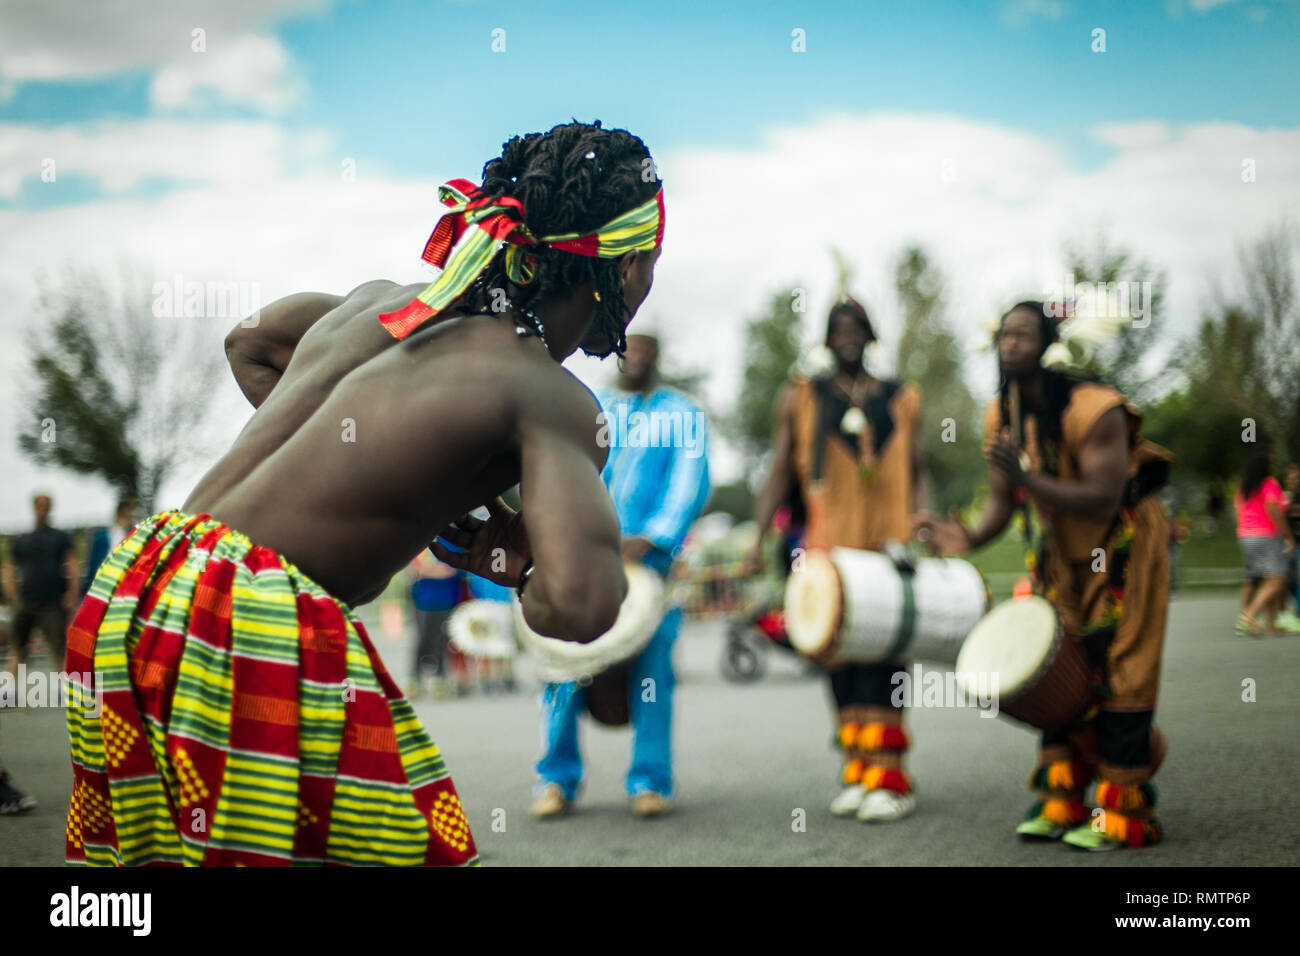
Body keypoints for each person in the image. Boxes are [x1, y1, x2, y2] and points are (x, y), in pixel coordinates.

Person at [65, 120, 666, 866]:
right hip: (246, 622)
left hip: (144, 580)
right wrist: (516, 567)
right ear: (626, 265)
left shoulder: (381, 304)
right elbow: (582, 606)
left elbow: (252, 344)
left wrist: (399, 473)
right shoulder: (553, 400)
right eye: (652, 259)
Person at [915, 300, 1175, 851]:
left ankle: (1122, 813)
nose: (1011, 344)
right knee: (1057, 656)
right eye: (1005, 334)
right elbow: (1002, 504)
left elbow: (1104, 497)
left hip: (1124, 543)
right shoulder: (1002, 414)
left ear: (1049, 346)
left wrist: (1026, 482)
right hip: (1061, 550)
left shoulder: (1096, 408)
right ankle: (1063, 795)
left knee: (1122, 665)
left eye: (1024, 335)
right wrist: (962, 536)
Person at [751, 297, 926, 823]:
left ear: (871, 336)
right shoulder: (802, 396)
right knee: (839, 659)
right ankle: (857, 769)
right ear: (827, 340)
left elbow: (917, 467)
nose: (847, 336)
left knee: (885, 658)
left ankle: (890, 778)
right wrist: (759, 530)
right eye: (838, 329)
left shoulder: (903, 397)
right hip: (829, 550)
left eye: (857, 328)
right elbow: (782, 467)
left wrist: (923, 521)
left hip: (887, 544)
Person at [531, 332, 710, 819]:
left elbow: (689, 480)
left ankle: (649, 781)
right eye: (629, 348)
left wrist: (652, 537)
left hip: (652, 569)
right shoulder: (592, 408)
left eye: (648, 349)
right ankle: (555, 779)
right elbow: (563, 474)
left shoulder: (682, 413)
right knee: (565, 665)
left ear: (657, 357)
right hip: (584, 563)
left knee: (653, 675)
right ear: (617, 353)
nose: (637, 357)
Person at [1, 494, 79, 673]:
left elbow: (72, 564)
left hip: (53, 603)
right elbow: (8, 567)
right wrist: (13, 596)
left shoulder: (60, 537)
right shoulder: (22, 539)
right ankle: (7, 694)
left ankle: (65, 693)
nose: (42, 508)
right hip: (26, 602)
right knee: (17, 650)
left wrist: (72, 595)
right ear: (34, 507)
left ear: (50, 508)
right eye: (39, 505)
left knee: (59, 650)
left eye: (46, 505)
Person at [1234, 447, 1298, 635]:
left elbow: (1238, 510)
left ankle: (1271, 624)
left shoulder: (1244, 485)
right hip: (1266, 535)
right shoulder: (1269, 483)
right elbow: (1273, 510)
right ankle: (1249, 616)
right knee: (1278, 580)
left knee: (1265, 580)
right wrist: (1288, 536)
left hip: (1246, 536)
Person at [406, 550, 464, 699]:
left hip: (447, 598)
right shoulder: (422, 545)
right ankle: (415, 679)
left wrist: (431, 571)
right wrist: (437, 571)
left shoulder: (452, 543)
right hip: (423, 600)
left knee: (441, 640)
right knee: (422, 638)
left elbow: (457, 569)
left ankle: (440, 679)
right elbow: (417, 567)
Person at [82, 498, 140, 595]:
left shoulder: (134, 535)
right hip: (103, 581)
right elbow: (93, 562)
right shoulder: (102, 536)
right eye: (127, 515)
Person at [1285, 463, 1300, 621]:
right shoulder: (1284, 496)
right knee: (1289, 579)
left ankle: (1299, 610)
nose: (1293, 480)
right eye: (1290, 478)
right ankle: (1296, 604)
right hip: (1290, 542)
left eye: (1296, 478)